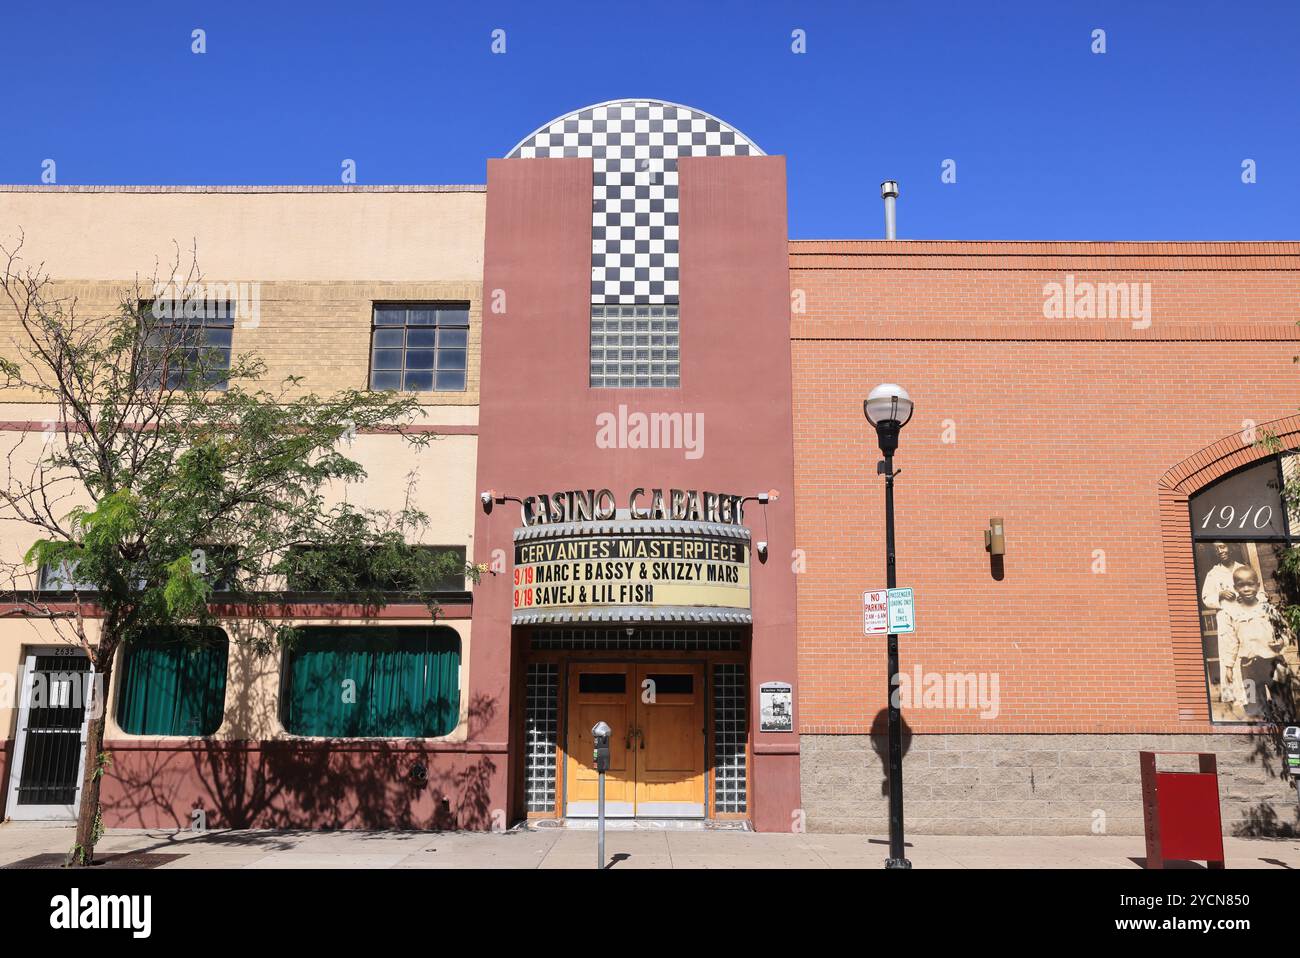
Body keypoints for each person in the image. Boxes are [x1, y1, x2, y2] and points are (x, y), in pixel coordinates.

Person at [1217, 567, 1289, 718]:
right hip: (1248, 666)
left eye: (1250, 584)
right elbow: (1230, 641)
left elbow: (1284, 631)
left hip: (1273, 663)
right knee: (1253, 706)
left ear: (1257, 585)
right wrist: (1229, 667)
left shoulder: (1268, 609)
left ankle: (1285, 733)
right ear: (1235, 588)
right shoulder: (1232, 613)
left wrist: (1281, 641)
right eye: (1241, 585)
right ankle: (1261, 734)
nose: (1246, 589)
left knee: (1282, 702)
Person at [1201, 541, 1249, 610]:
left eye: (1222, 547)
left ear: (1230, 548)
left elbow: (1257, 590)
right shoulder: (1212, 574)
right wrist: (1220, 595)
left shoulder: (1243, 569)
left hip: (1246, 613)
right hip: (1226, 615)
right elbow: (1206, 598)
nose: (1220, 551)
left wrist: (1247, 597)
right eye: (1216, 550)